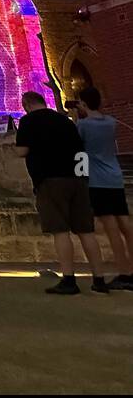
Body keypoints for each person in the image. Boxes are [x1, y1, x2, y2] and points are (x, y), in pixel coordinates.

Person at [15, 91, 108, 295]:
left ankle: (69, 279)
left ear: (26, 104)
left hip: (50, 180)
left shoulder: (28, 121)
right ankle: (99, 279)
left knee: (60, 231)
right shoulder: (64, 120)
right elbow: (79, 147)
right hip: (77, 179)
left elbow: (21, 151)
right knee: (86, 231)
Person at [74, 88, 133, 290]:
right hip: (114, 175)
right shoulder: (111, 122)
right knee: (125, 224)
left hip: (97, 179)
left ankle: (124, 273)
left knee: (111, 228)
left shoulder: (82, 125)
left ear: (83, 103)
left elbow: (78, 149)